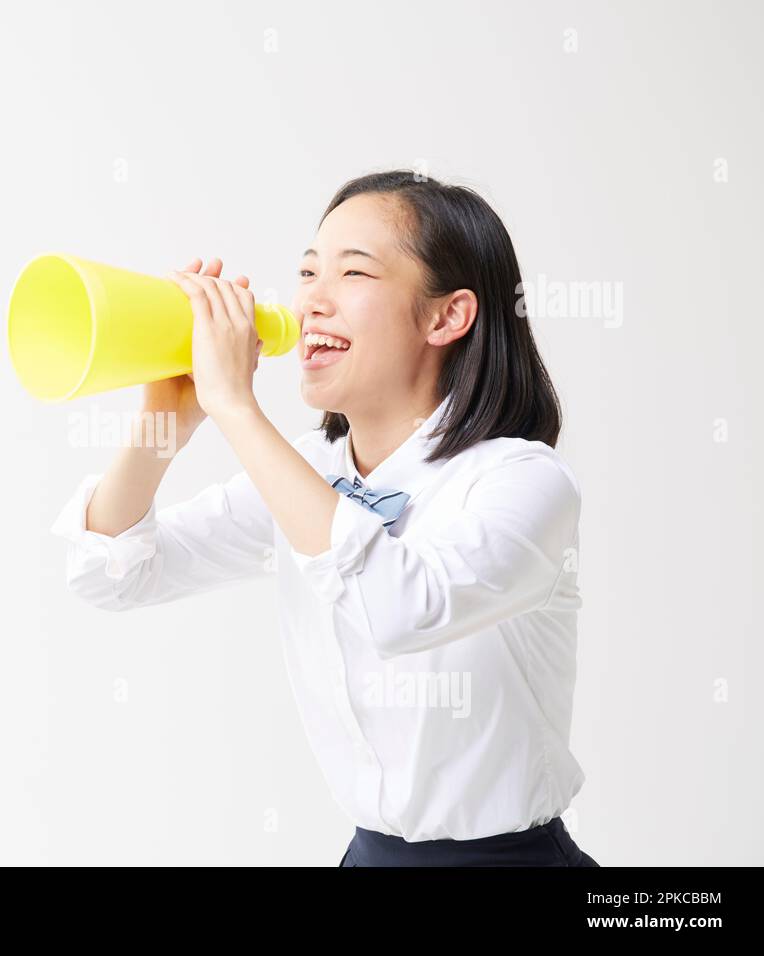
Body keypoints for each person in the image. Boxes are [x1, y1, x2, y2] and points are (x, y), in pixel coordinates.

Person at [50, 170, 599, 867]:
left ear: (446, 316)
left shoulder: (523, 482)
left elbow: (402, 607)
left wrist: (237, 408)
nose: (311, 300)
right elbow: (114, 576)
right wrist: (164, 423)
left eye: (352, 272)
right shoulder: (311, 470)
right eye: (307, 271)